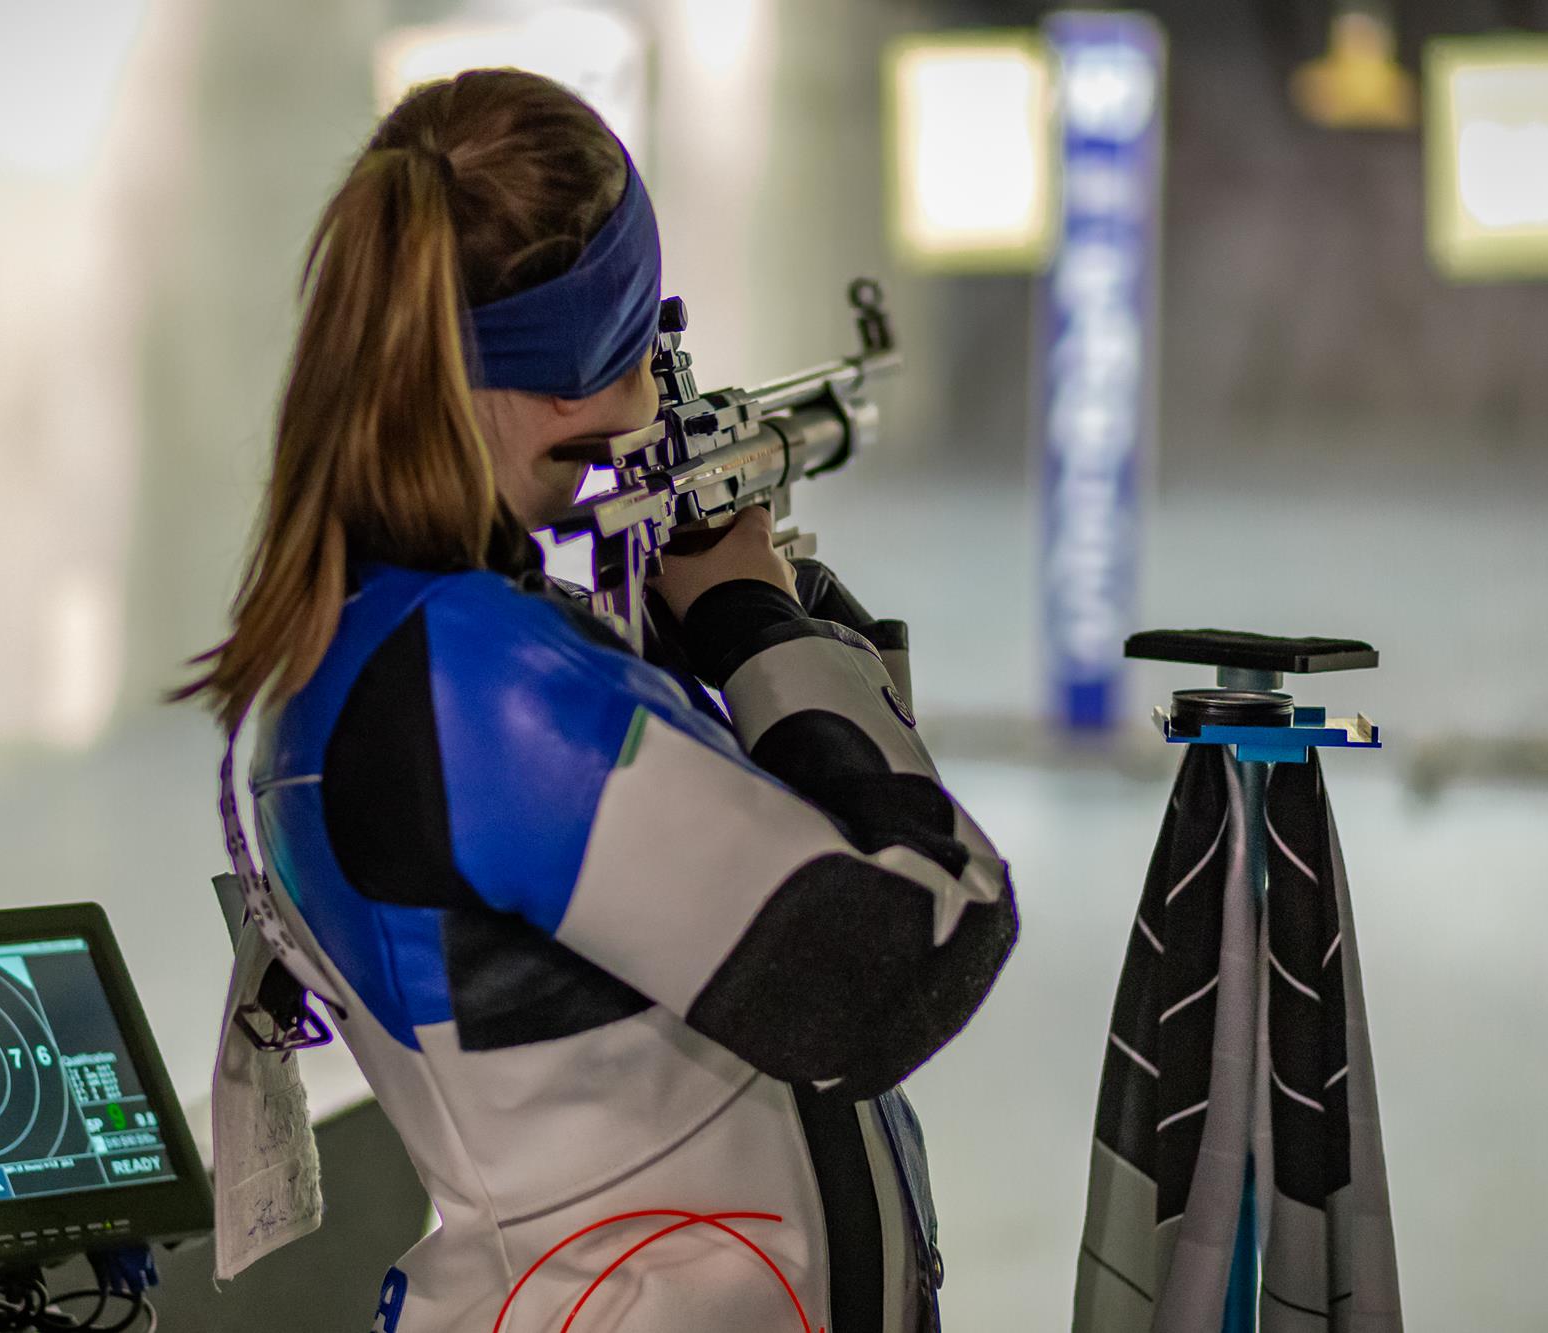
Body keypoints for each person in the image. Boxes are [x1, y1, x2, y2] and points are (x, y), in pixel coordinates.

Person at [174, 68, 1018, 1333]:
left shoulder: (393, 639)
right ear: (578, 379)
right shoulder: (470, 688)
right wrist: (747, 614)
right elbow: (911, 947)